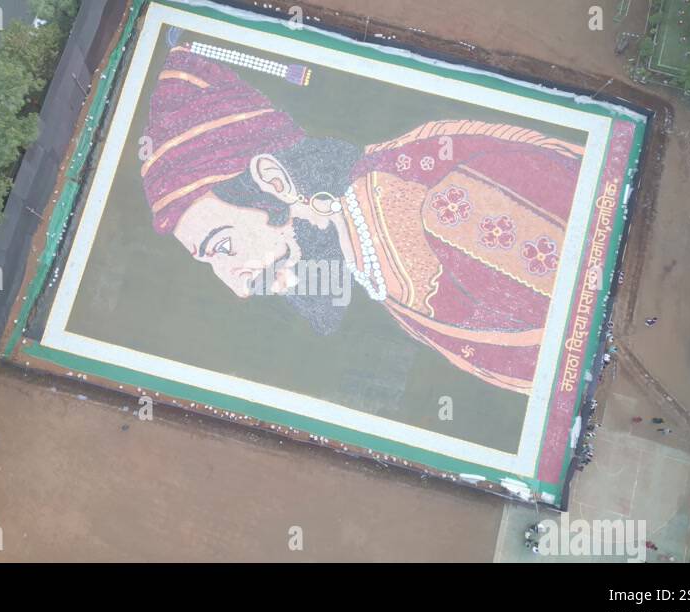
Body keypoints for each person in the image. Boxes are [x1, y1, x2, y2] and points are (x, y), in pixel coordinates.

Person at [140, 45, 588, 396]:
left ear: (273, 180)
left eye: (224, 246)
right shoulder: (375, 255)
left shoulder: (431, 201)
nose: (239, 286)